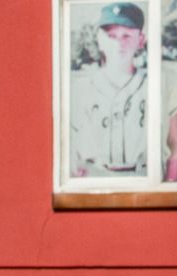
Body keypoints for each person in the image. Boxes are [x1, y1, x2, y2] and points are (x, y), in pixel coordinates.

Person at [68, 3, 148, 178]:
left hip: (140, 176)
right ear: (100, 40)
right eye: (111, 35)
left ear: (140, 40)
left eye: (126, 35)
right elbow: (70, 146)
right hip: (95, 174)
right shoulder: (81, 89)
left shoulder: (152, 86)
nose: (119, 43)